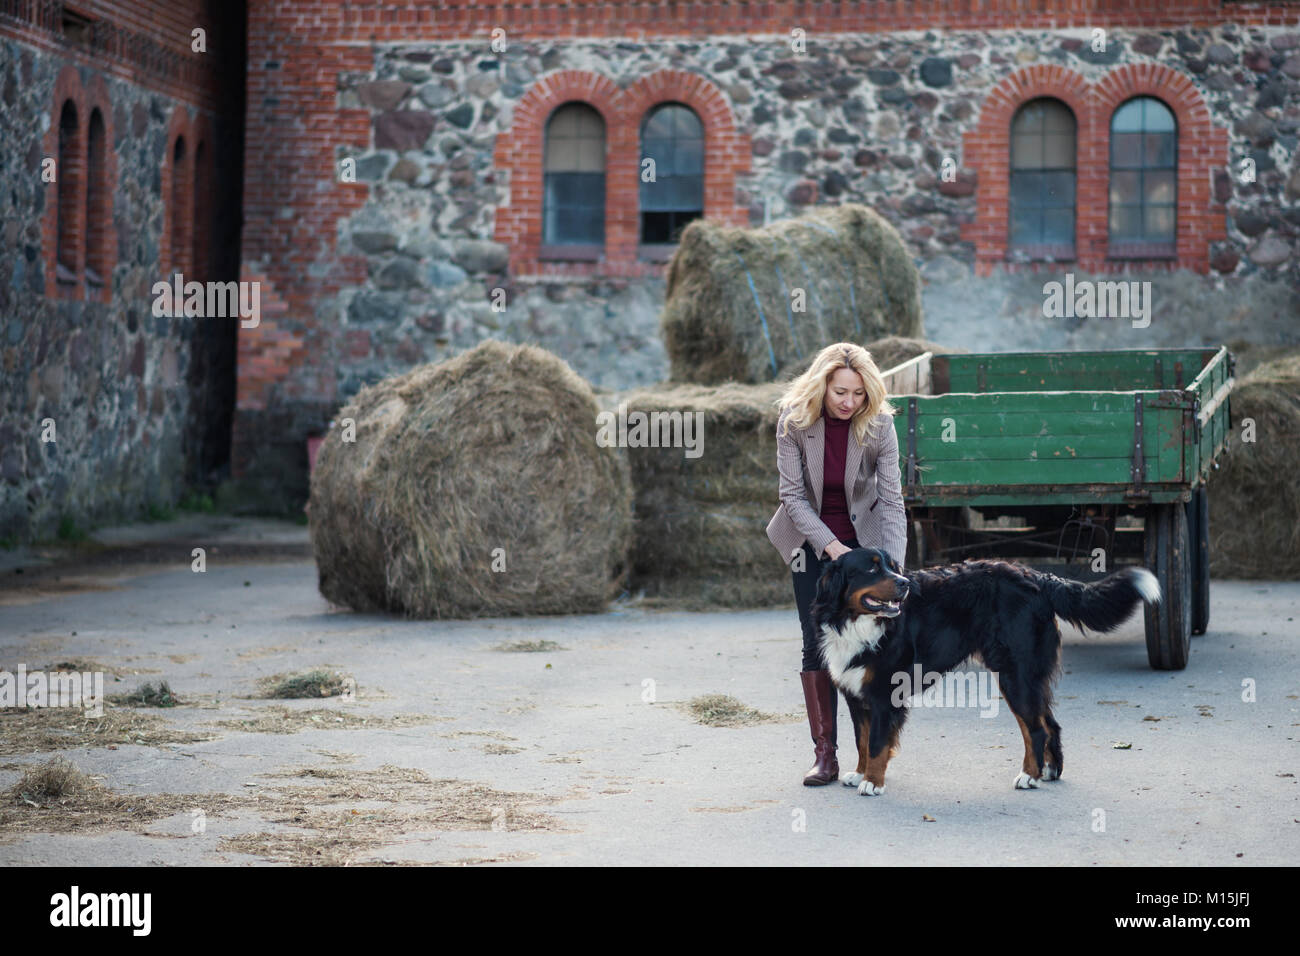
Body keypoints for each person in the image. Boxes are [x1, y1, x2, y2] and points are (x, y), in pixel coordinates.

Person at [766, 342, 909, 786]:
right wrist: (830, 548)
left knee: (870, 646)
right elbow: (791, 496)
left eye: (860, 394)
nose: (850, 403)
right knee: (817, 641)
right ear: (822, 386)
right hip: (809, 541)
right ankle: (825, 755)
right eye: (841, 392)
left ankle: (872, 754)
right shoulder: (793, 422)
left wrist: (893, 568)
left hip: (863, 541)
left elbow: (891, 499)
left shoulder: (880, 426)